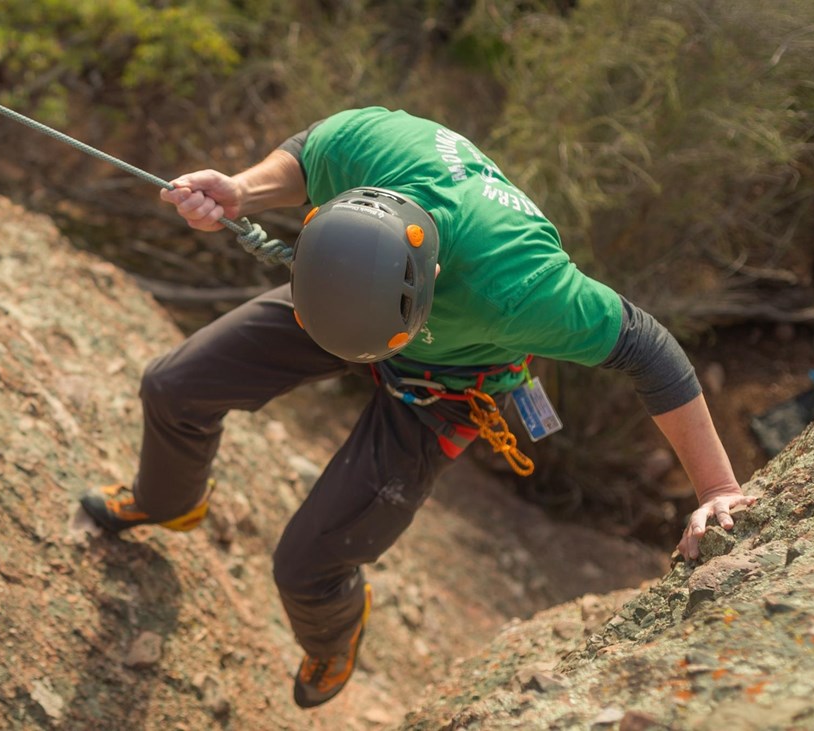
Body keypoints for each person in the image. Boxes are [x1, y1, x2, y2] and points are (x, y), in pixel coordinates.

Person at [79, 107, 755, 708]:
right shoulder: (374, 145)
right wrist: (243, 188)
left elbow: (649, 348)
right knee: (174, 385)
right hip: (335, 298)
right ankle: (168, 499)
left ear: (427, 283)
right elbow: (310, 148)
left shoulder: (523, 289)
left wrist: (718, 488)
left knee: (307, 564)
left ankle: (333, 631)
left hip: (447, 380)